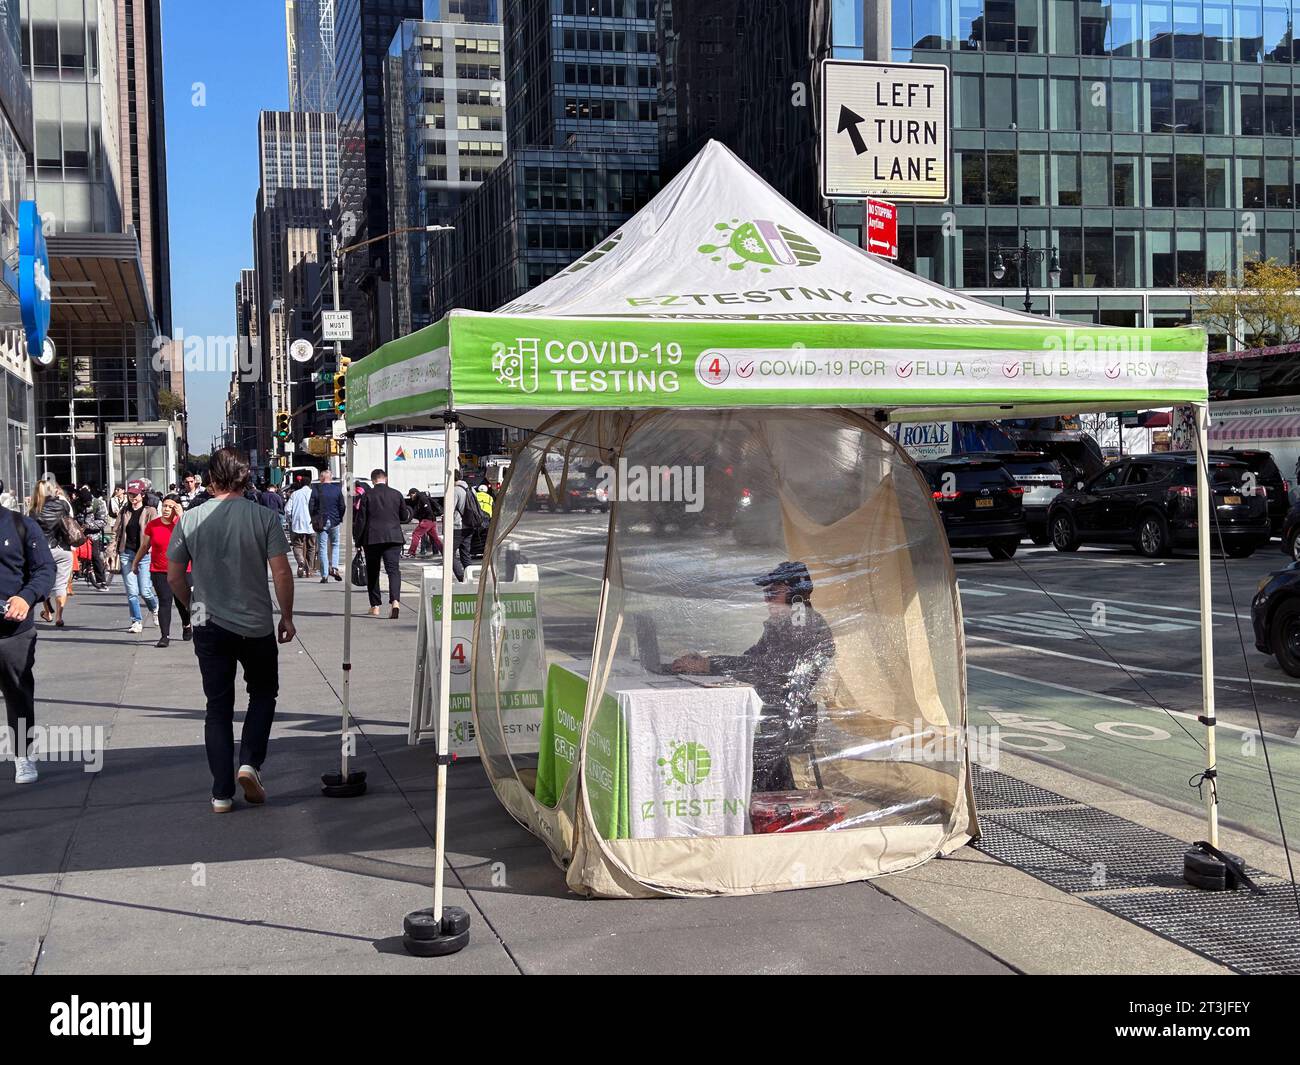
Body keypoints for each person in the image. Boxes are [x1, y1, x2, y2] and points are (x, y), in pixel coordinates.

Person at [167, 447, 295, 814]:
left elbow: (175, 576)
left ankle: (222, 793)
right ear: (245, 477)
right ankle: (250, 762)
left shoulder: (189, 520)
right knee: (263, 693)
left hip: (209, 623)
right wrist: (286, 616)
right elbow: (282, 572)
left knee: (218, 708)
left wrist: (193, 606)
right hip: (255, 624)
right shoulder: (263, 517)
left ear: (210, 478)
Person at [671, 561, 836, 792]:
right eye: (766, 592)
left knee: (729, 748)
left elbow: (766, 669)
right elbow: (752, 658)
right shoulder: (787, 622)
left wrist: (708, 664)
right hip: (775, 713)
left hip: (788, 719)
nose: (766, 599)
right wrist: (707, 661)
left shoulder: (801, 624)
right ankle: (776, 797)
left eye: (773, 592)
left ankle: (749, 805)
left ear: (795, 594)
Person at [0, 498, 55, 783]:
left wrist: (26, 596)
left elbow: (45, 569)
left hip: (13, 631)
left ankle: (24, 755)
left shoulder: (21, 526)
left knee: (17, 694)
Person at [133, 494, 191, 648]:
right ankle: (165, 636)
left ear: (177, 508)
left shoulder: (183, 522)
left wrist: (182, 516)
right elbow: (145, 546)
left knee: (183, 602)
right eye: (164, 506)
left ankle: (187, 624)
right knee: (165, 602)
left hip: (183, 570)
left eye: (170, 506)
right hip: (159, 569)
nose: (166, 509)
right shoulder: (153, 525)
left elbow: (192, 539)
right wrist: (135, 562)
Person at [355, 468, 409, 619]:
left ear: (373, 481)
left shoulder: (366, 496)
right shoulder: (396, 494)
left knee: (373, 572)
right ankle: (395, 602)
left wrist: (357, 540)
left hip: (372, 539)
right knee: (393, 570)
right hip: (393, 537)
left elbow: (361, 520)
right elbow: (404, 516)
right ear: (385, 478)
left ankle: (375, 605)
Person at [111, 480, 160, 633]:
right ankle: (136, 621)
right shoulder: (124, 511)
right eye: (130, 494)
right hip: (127, 553)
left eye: (135, 494)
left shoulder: (150, 511)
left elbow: (156, 532)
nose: (132, 497)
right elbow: (116, 532)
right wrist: (111, 551)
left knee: (145, 590)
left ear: (142, 494)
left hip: (145, 554)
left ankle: (155, 607)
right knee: (132, 591)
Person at [30, 480, 75, 629]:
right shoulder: (62, 505)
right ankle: (58, 616)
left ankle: (48, 612)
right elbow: (70, 523)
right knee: (61, 584)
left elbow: (30, 532)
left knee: (44, 581)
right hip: (63, 549)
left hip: (43, 551)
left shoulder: (34, 510)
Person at [310, 468, 345, 583]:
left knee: (323, 547)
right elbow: (342, 506)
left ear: (321, 478)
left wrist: (314, 517)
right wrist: (339, 518)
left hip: (321, 521)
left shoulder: (316, 489)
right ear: (330, 478)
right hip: (334, 520)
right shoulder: (337, 490)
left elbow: (311, 505)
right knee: (335, 544)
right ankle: (334, 568)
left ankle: (324, 575)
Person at [73, 487, 109, 590]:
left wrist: (88, 526)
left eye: (87, 503)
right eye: (83, 503)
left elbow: (103, 521)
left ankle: (102, 581)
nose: (85, 505)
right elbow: (71, 517)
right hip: (78, 535)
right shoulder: (75, 503)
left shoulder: (98, 503)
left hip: (93, 535)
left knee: (95, 556)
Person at [285, 479, 318, 577]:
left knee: (297, 545)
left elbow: (287, 509)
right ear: (310, 484)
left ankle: (301, 561)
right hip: (311, 524)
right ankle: (309, 570)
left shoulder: (295, 494)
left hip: (297, 524)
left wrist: (290, 519)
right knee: (311, 547)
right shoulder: (313, 493)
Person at [406, 487, 439, 558]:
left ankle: (411, 552)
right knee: (435, 538)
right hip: (432, 520)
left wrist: (423, 519)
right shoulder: (421, 498)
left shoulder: (421, 498)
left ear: (414, 493)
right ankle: (442, 551)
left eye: (411, 495)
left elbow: (427, 509)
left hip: (426, 520)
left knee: (416, 534)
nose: (410, 497)